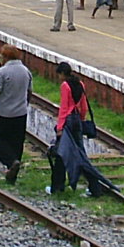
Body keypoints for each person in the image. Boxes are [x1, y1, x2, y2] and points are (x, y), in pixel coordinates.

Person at [0, 47, 32, 183]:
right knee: (17, 142)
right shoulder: (26, 71)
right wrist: (24, 105)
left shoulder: (3, 72)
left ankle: (11, 162)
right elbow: (29, 92)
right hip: (21, 114)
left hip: (4, 113)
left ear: (5, 57)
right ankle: (13, 174)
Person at [48, 61, 90, 194]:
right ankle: (93, 186)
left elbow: (64, 108)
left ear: (61, 73)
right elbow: (84, 107)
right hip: (77, 120)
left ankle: (57, 186)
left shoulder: (65, 86)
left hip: (68, 122)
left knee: (61, 153)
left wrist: (60, 127)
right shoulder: (80, 83)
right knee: (81, 153)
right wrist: (81, 121)